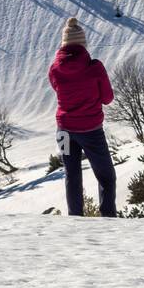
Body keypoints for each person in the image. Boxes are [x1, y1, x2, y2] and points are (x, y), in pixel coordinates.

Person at [48, 16, 117, 217]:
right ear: (83, 44)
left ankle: (75, 218)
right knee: (106, 176)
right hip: (91, 131)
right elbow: (108, 98)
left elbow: (57, 89)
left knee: (72, 174)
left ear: (64, 44)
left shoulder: (54, 69)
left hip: (63, 130)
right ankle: (108, 218)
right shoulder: (94, 67)